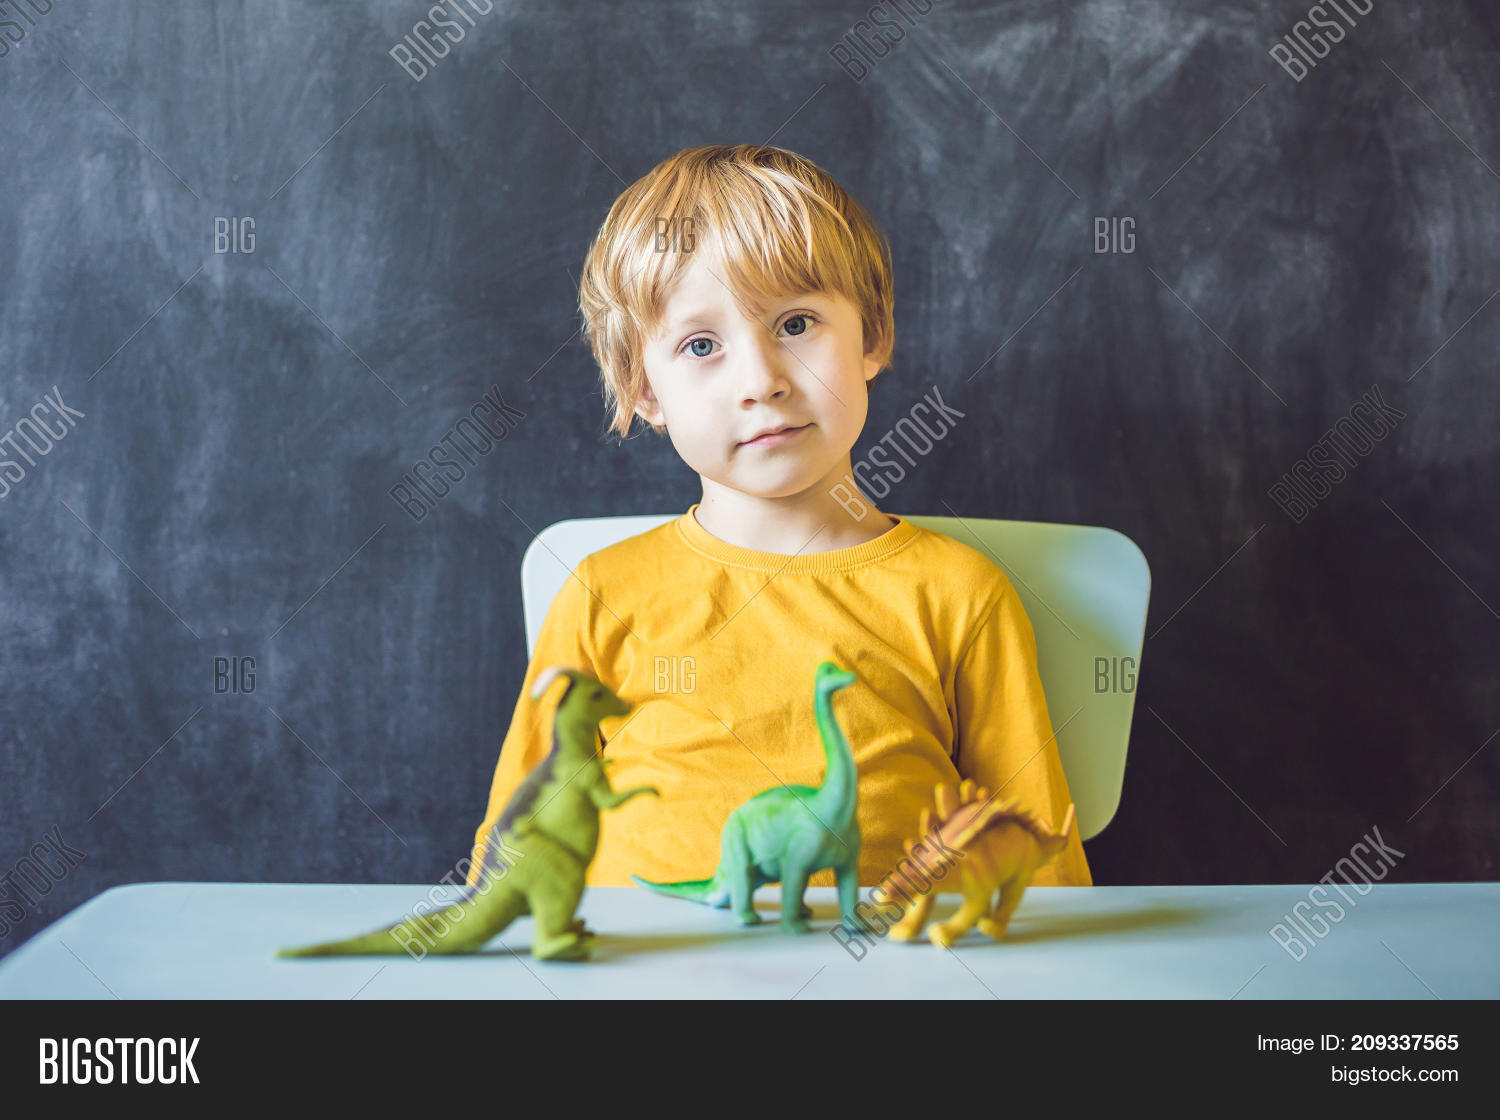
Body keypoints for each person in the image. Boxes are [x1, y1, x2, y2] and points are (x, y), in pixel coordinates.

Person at [467, 144, 1091, 894]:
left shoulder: (963, 595)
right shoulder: (602, 594)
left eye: (796, 324)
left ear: (873, 335)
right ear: (644, 391)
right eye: (701, 345)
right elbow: (516, 838)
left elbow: (1035, 856)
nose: (761, 381)